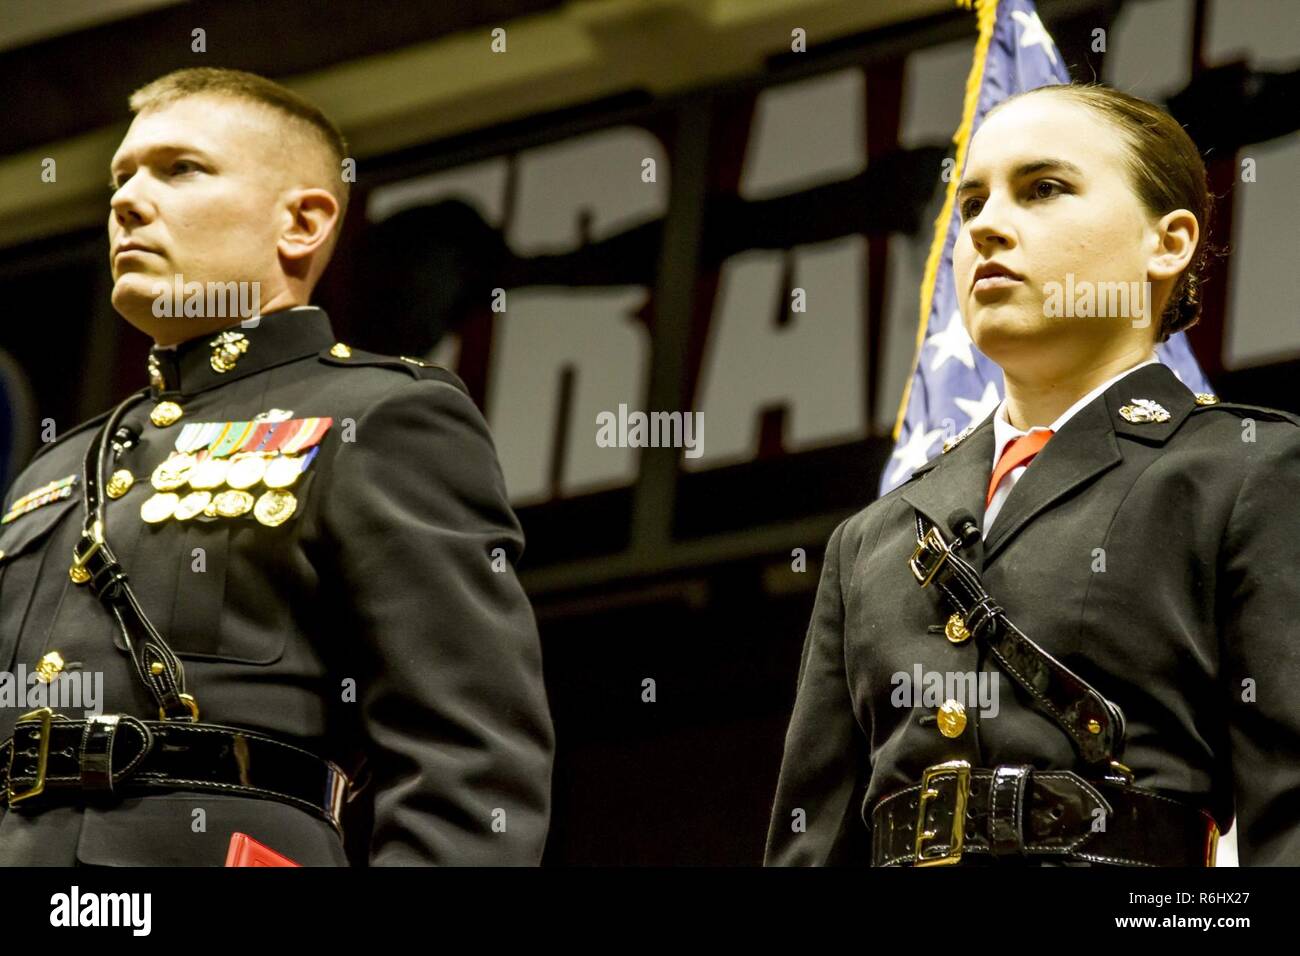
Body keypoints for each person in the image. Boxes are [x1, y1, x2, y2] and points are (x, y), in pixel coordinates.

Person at [0, 67, 554, 866]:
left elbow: (471, 760)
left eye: (179, 168)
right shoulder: (55, 469)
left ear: (301, 222)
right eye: (121, 176)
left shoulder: (379, 416)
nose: (125, 200)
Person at [764, 83, 1300, 867]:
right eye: (971, 203)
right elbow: (808, 848)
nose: (987, 226)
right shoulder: (871, 540)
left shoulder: (1246, 471)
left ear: (1169, 241)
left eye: (1044, 189)